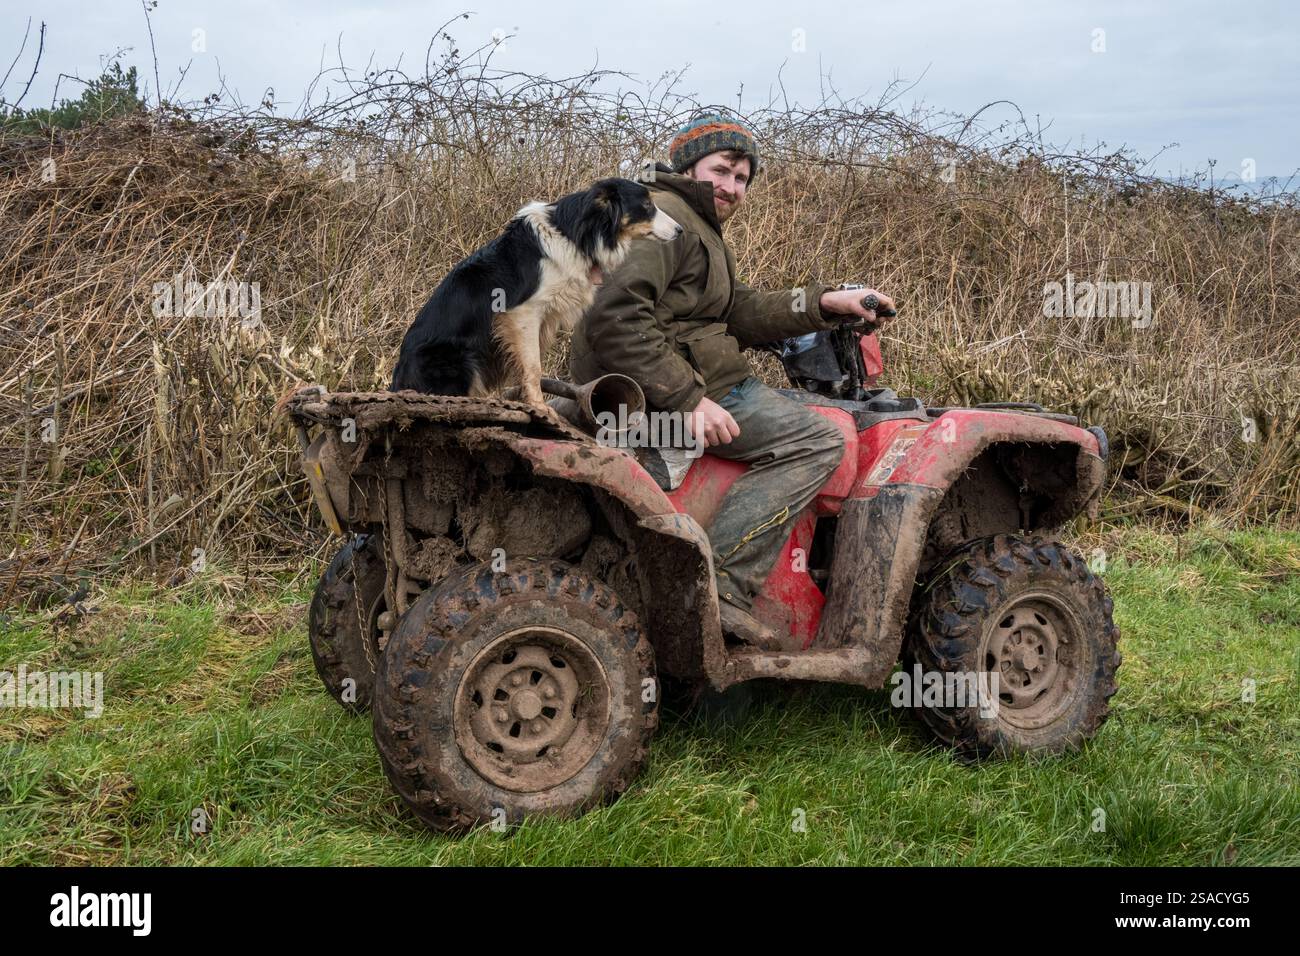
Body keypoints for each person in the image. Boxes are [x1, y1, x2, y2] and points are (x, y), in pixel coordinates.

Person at [569, 111, 897, 647]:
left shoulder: (694, 226)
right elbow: (614, 313)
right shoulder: (662, 219)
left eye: (742, 178)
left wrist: (824, 302)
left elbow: (734, 311)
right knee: (819, 440)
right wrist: (688, 399)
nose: (731, 187)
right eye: (721, 170)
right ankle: (719, 587)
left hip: (695, 378)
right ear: (689, 166)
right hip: (674, 388)